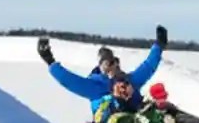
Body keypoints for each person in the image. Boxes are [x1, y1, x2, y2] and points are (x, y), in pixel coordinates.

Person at [36, 25, 165, 115]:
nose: (110, 67)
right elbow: (68, 80)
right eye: (106, 63)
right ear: (100, 66)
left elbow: (148, 66)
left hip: (137, 117)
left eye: (112, 62)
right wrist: (49, 60)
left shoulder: (130, 80)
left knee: (162, 110)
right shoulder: (94, 86)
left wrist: (159, 45)